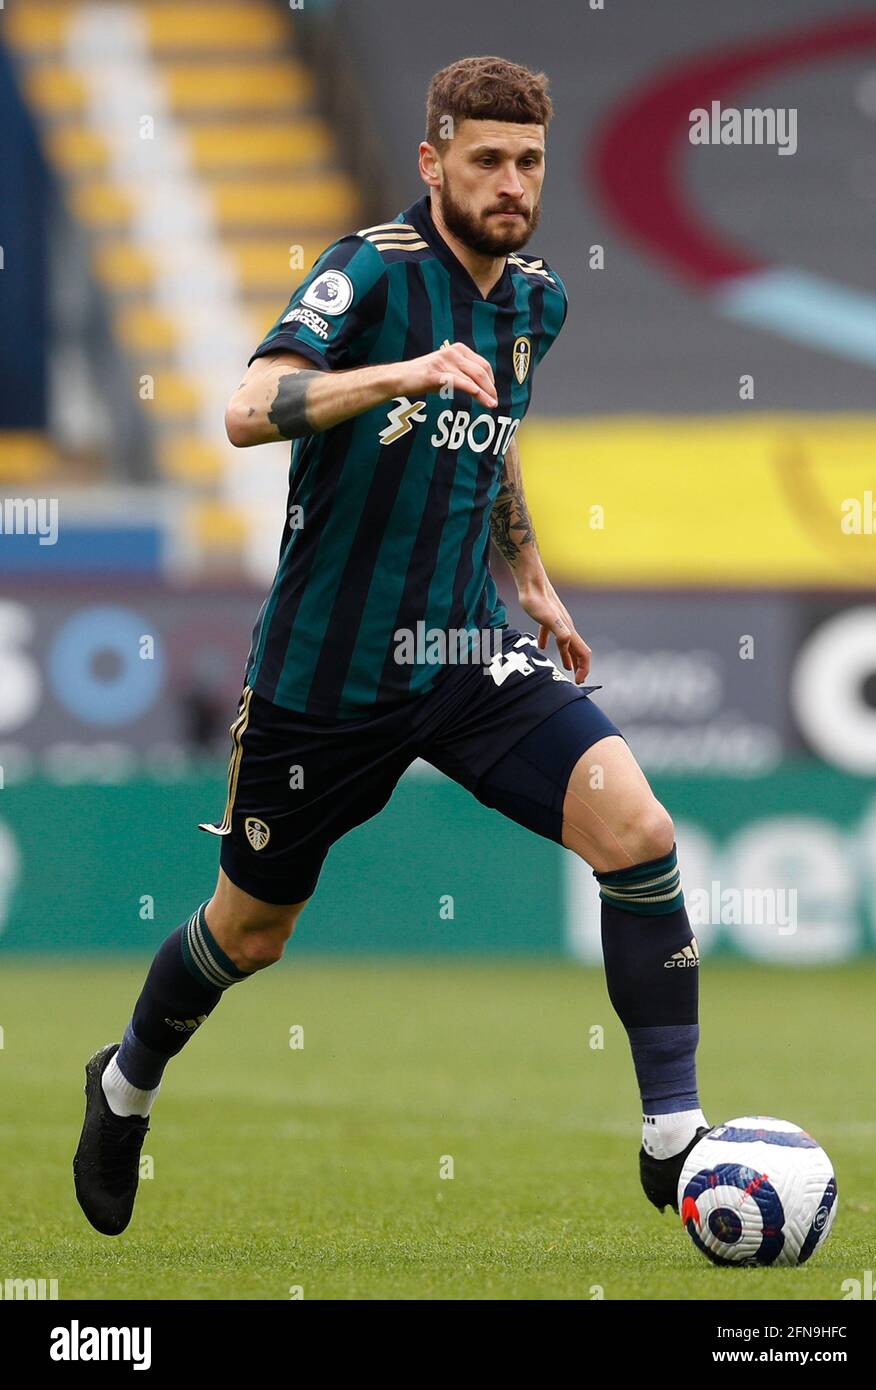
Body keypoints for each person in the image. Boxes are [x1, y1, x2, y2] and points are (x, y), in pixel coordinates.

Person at [74, 54, 707, 1237]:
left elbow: (494, 430)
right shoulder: (369, 270)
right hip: (326, 676)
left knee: (641, 833)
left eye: (528, 163)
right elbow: (247, 407)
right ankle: (123, 1084)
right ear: (433, 162)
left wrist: (529, 574)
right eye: (487, 161)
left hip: (464, 650)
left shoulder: (538, 300)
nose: (511, 184)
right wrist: (396, 374)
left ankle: (674, 1131)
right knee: (248, 934)